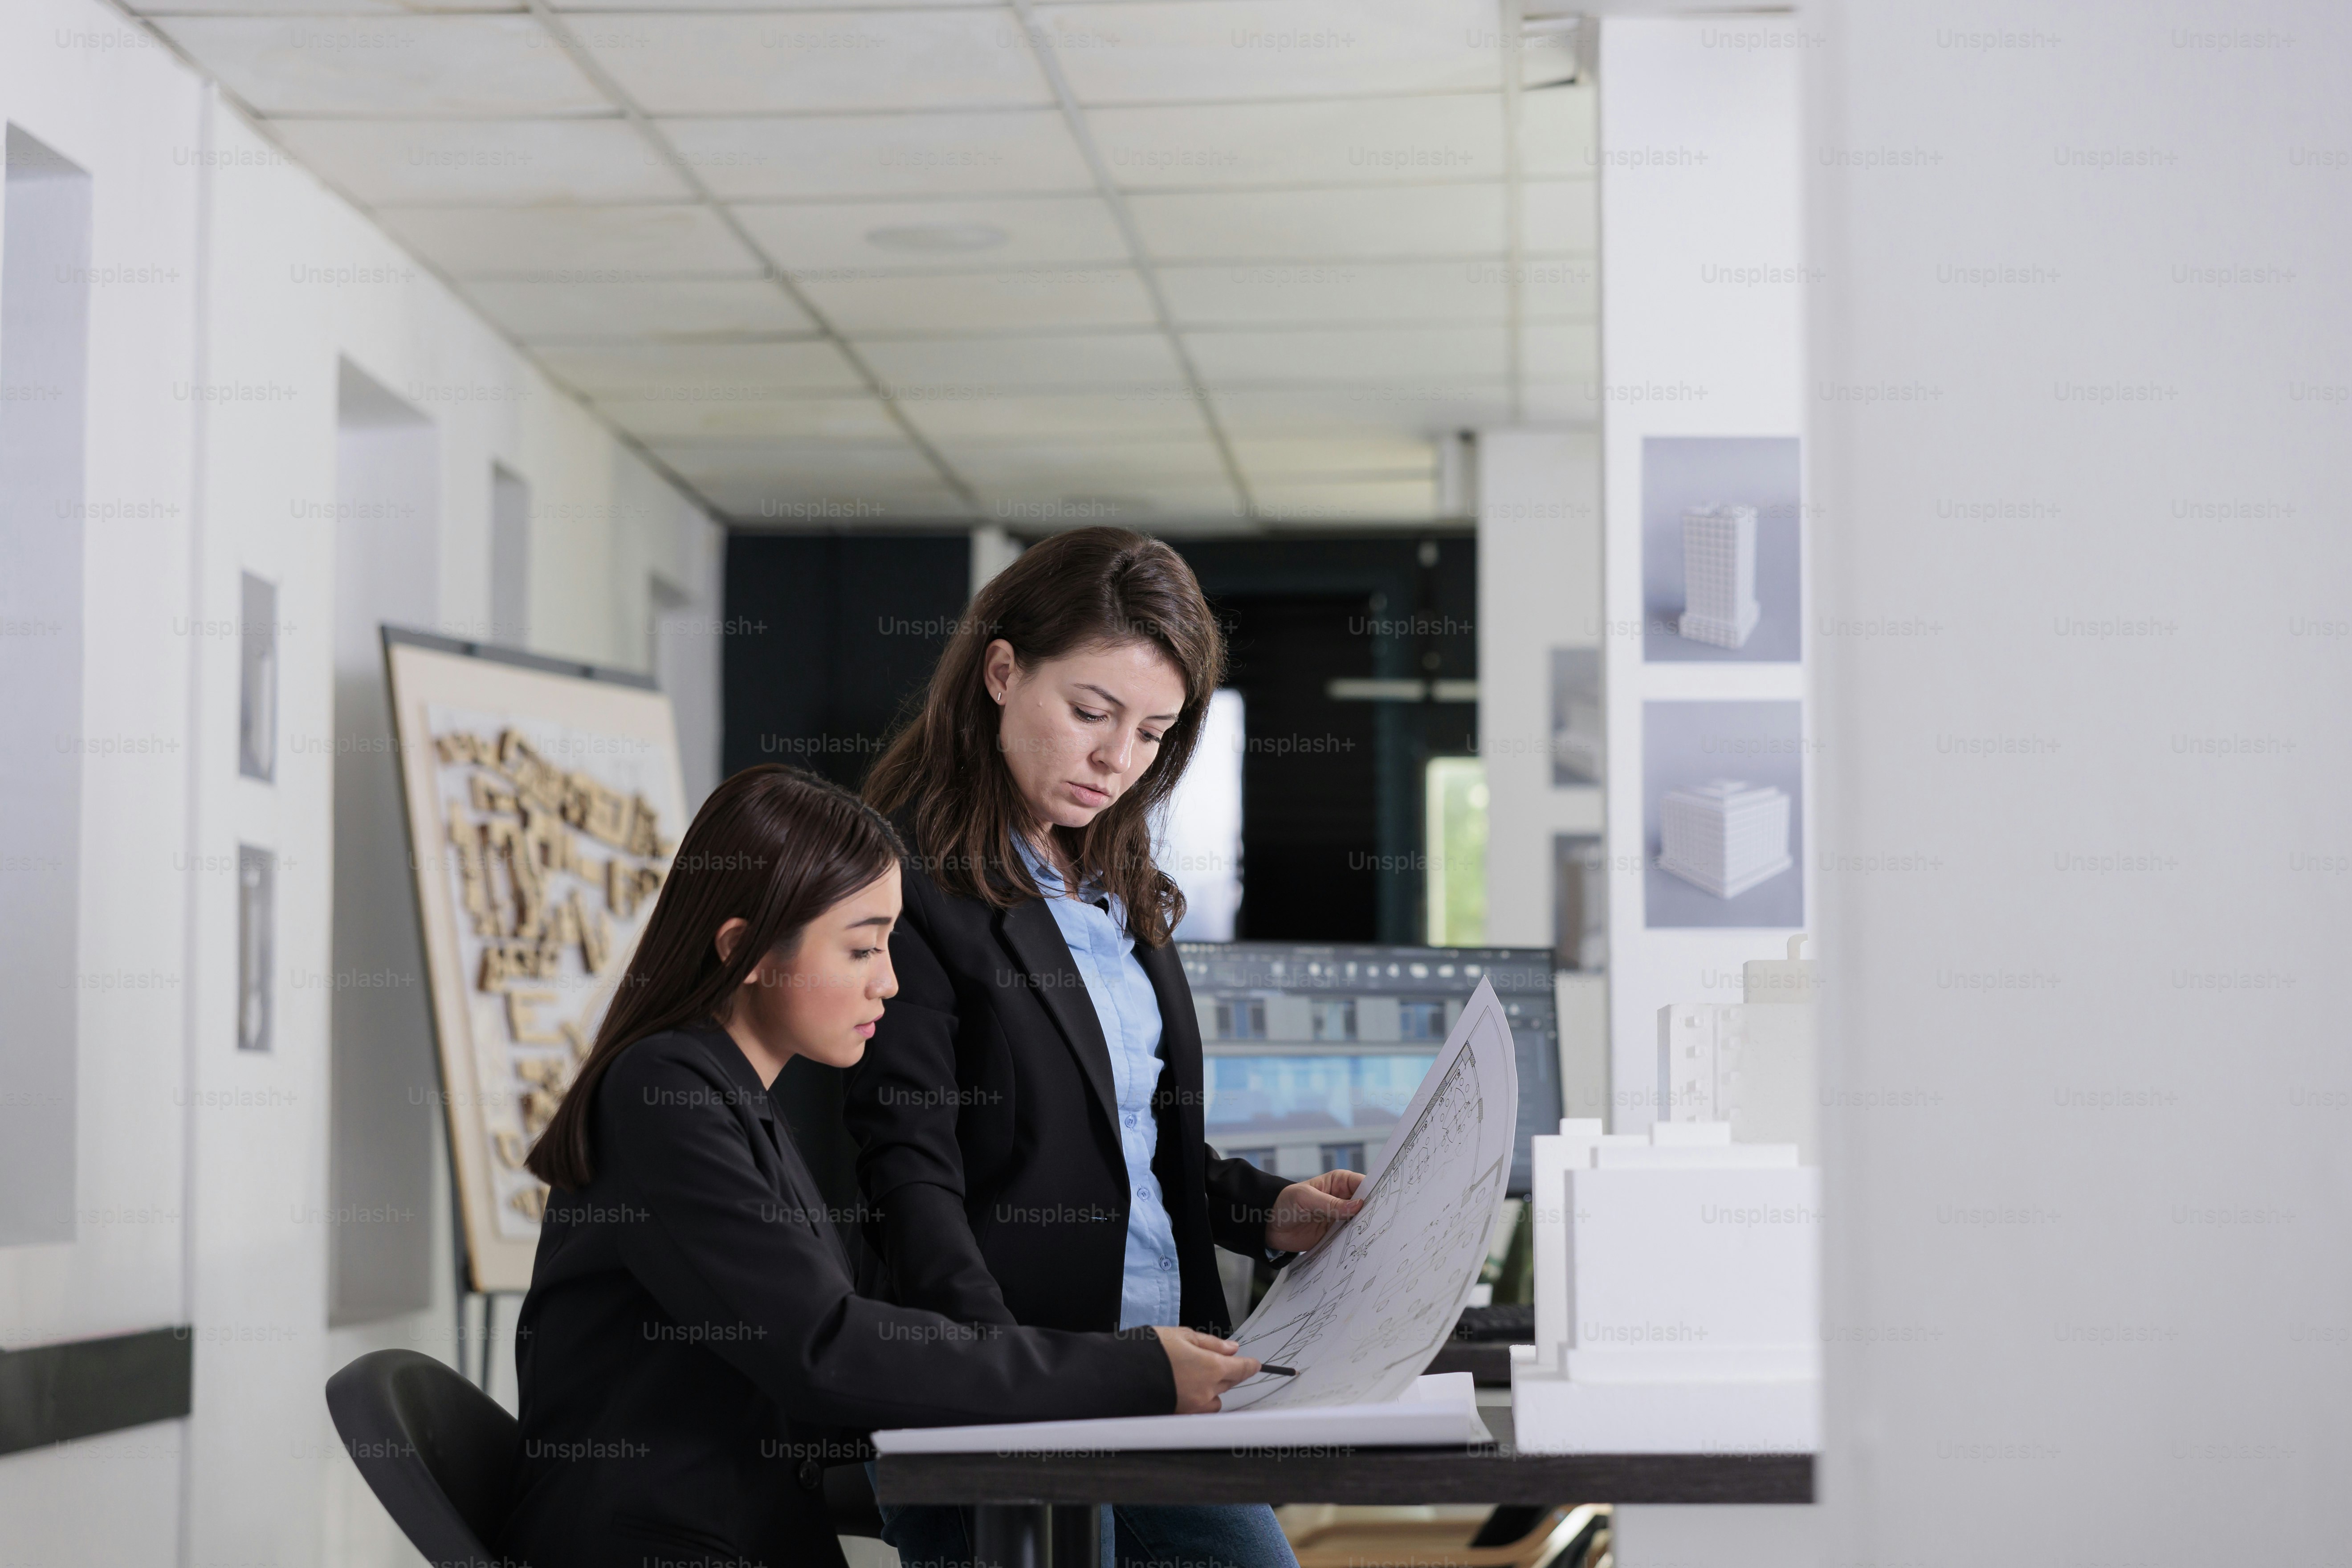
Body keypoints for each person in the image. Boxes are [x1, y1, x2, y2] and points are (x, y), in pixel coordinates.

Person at [498, 764, 1261, 1568]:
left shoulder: (730, 1095)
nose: (889, 982)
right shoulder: (665, 1094)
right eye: (862, 947)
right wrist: (1131, 1370)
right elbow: (826, 1348)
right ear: (745, 949)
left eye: (888, 945)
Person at [846, 528, 1366, 1568]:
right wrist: (1015, 1389)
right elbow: (909, 1188)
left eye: (1153, 733)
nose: (1116, 760)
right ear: (1002, 673)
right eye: (1091, 713)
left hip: (1161, 1385)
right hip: (1004, 1402)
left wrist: (1269, 1211)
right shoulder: (896, 885)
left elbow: (1130, 1148)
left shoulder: (1109, 885)